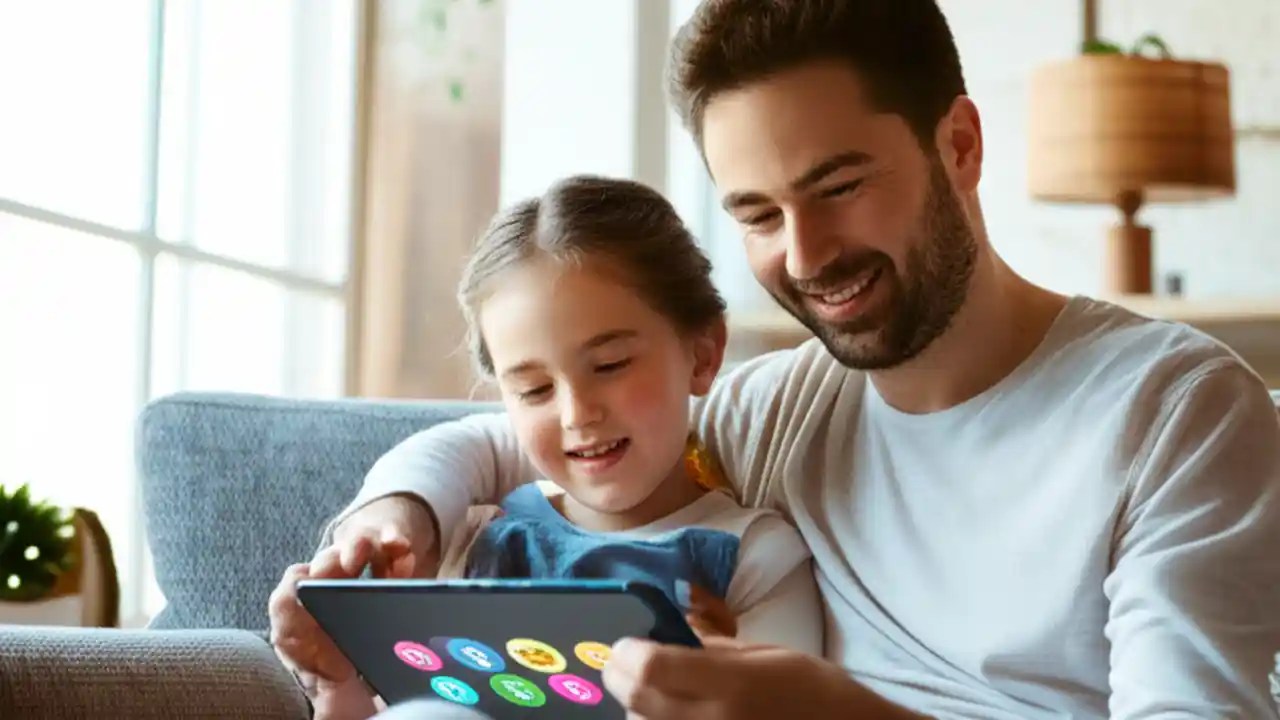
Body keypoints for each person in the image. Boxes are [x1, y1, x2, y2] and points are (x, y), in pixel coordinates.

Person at [281, 1, 1280, 718]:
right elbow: (500, 443)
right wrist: (393, 516)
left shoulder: (1174, 411)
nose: (803, 258)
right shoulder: (777, 407)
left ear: (961, 146)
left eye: (839, 186)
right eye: (758, 214)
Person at [269, 176, 823, 719]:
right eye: (534, 390)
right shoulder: (476, 538)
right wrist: (335, 678)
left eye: (610, 366)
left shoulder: (756, 557)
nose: (577, 413)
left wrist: (723, 688)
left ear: (702, 355)